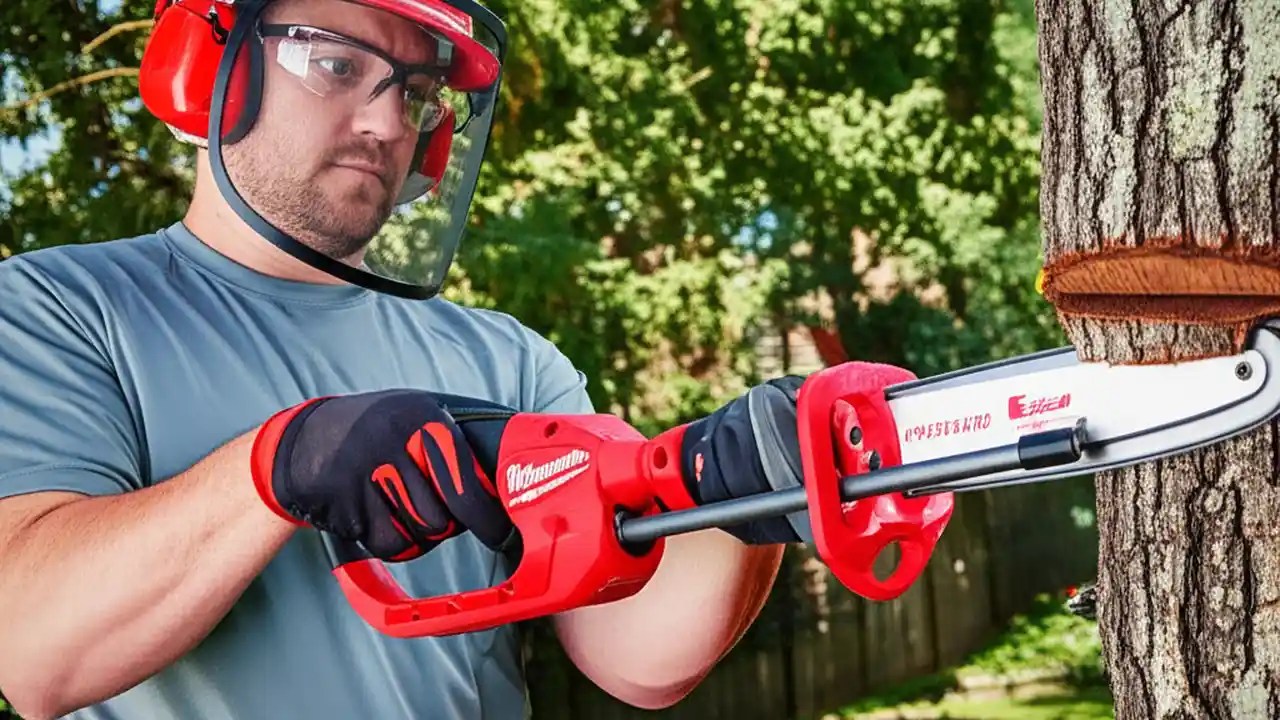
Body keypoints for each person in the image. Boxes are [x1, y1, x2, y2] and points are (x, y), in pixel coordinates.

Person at [0, 0, 815, 718]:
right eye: (336, 64)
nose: (388, 124)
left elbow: (638, 662)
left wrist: (743, 494)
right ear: (218, 68)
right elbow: (34, 654)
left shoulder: (510, 362)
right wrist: (278, 465)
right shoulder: (58, 309)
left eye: (418, 93)